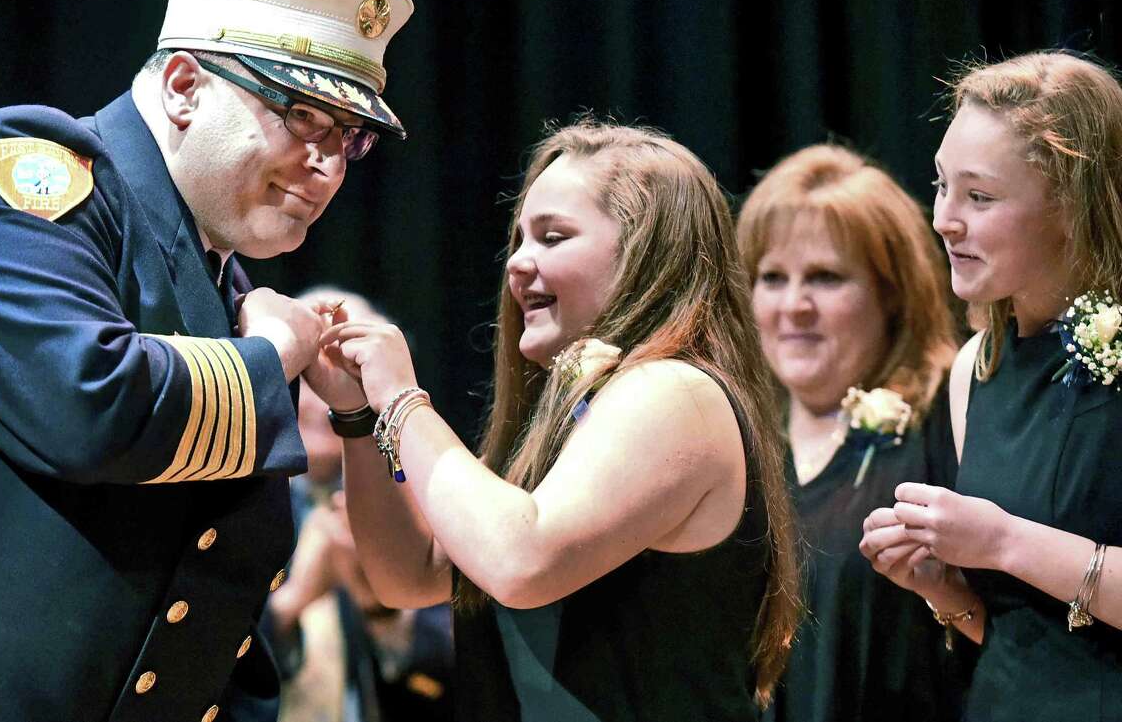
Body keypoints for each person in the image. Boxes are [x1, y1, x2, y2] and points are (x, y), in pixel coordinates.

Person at [0, 0, 412, 722]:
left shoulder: (230, 291)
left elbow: (222, 623)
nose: (326, 164)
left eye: (348, 136)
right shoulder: (17, 172)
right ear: (185, 86)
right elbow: (90, 405)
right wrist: (276, 352)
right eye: (301, 113)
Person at [303, 119, 800, 720]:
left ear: (645, 251)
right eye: (518, 240)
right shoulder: (570, 410)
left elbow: (519, 561)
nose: (516, 264)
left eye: (552, 237)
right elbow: (409, 575)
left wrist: (404, 399)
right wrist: (357, 412)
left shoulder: (677, 390)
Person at [859, 51, 1122, 721]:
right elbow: (1022, 634)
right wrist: (942, 586)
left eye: (979, 196)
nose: (945, 219)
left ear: (1073, 204)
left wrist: (1003, 540)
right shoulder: (974, 368)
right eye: (942, 185)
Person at [737, 144, 968, 721]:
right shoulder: (735, 437)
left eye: (825, 277)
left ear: (892, 294)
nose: (794, 306)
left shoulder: (950, 415)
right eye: (771, 278)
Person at [267, 287, 454, 722]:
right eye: (310, 372)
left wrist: (381, 609)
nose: (324, 400)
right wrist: (292, 603)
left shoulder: (419, 497)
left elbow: (455, 672)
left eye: (352, 370)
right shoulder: (230, 500)